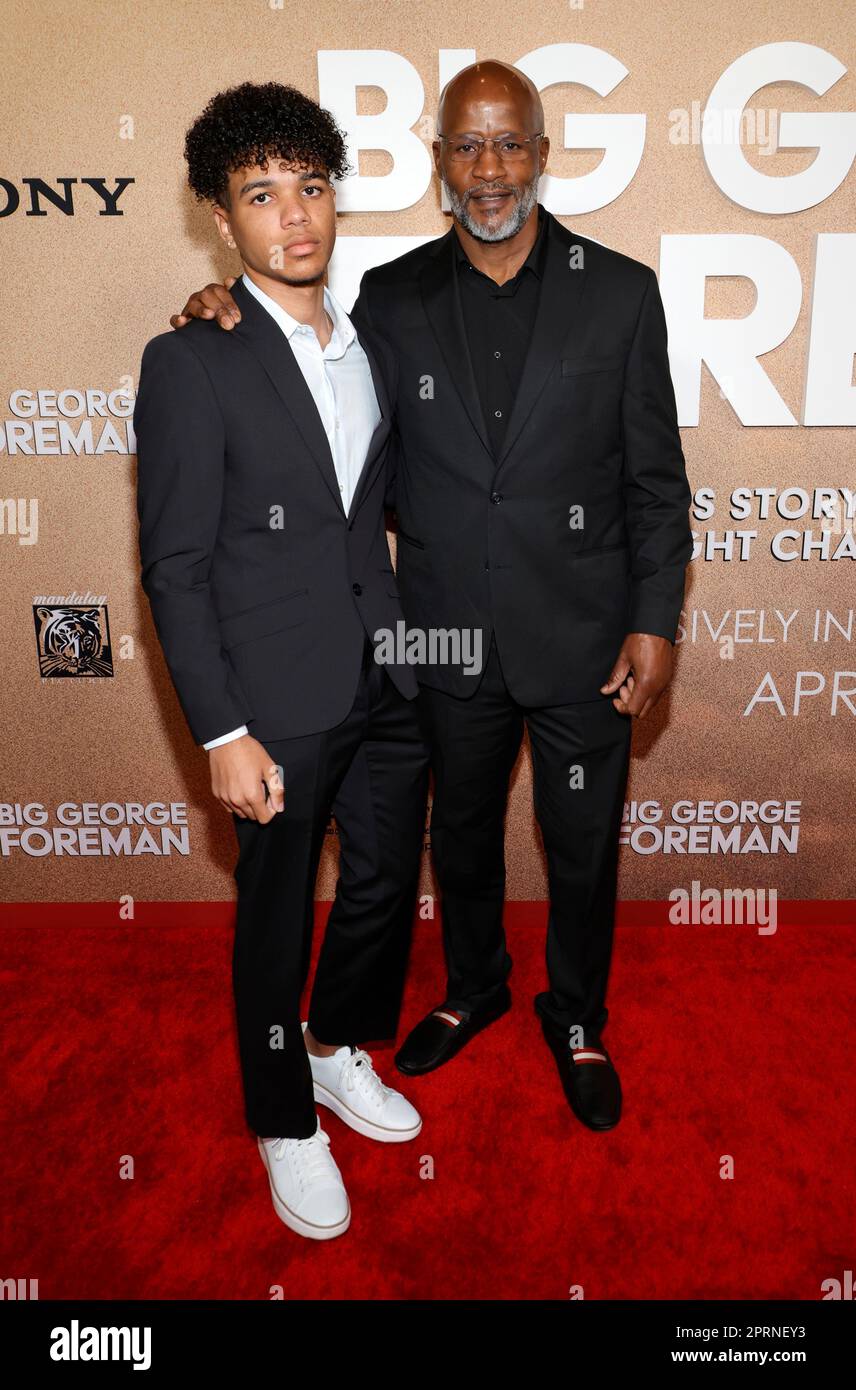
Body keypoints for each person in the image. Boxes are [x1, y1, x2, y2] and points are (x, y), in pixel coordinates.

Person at [169, 61, 693, 1134]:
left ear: (540, 155)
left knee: (583, 837)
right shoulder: (388, 300)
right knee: (455, 833)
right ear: (439, 162)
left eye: (509, 144)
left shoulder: (621, 291)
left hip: (587, 636)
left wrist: (654, 620)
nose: (489, 168)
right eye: (466, 146)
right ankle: (473, 985)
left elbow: (655, 482)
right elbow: (306, 399)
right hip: (442, 641)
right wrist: (219, 307)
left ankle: (578, 1012)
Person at [134, 80, 429, 1240]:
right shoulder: (191, 359)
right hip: (270, 703)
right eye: (261, 195)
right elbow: (174, 566)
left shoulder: (373, 347)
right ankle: (280, 1117)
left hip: (385, 674)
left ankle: (330, 1046)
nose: (292, 216)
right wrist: (220, 730)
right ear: (221, 217)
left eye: (309, 188)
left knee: (375, 886)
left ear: (333, 199)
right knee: (272, 922)